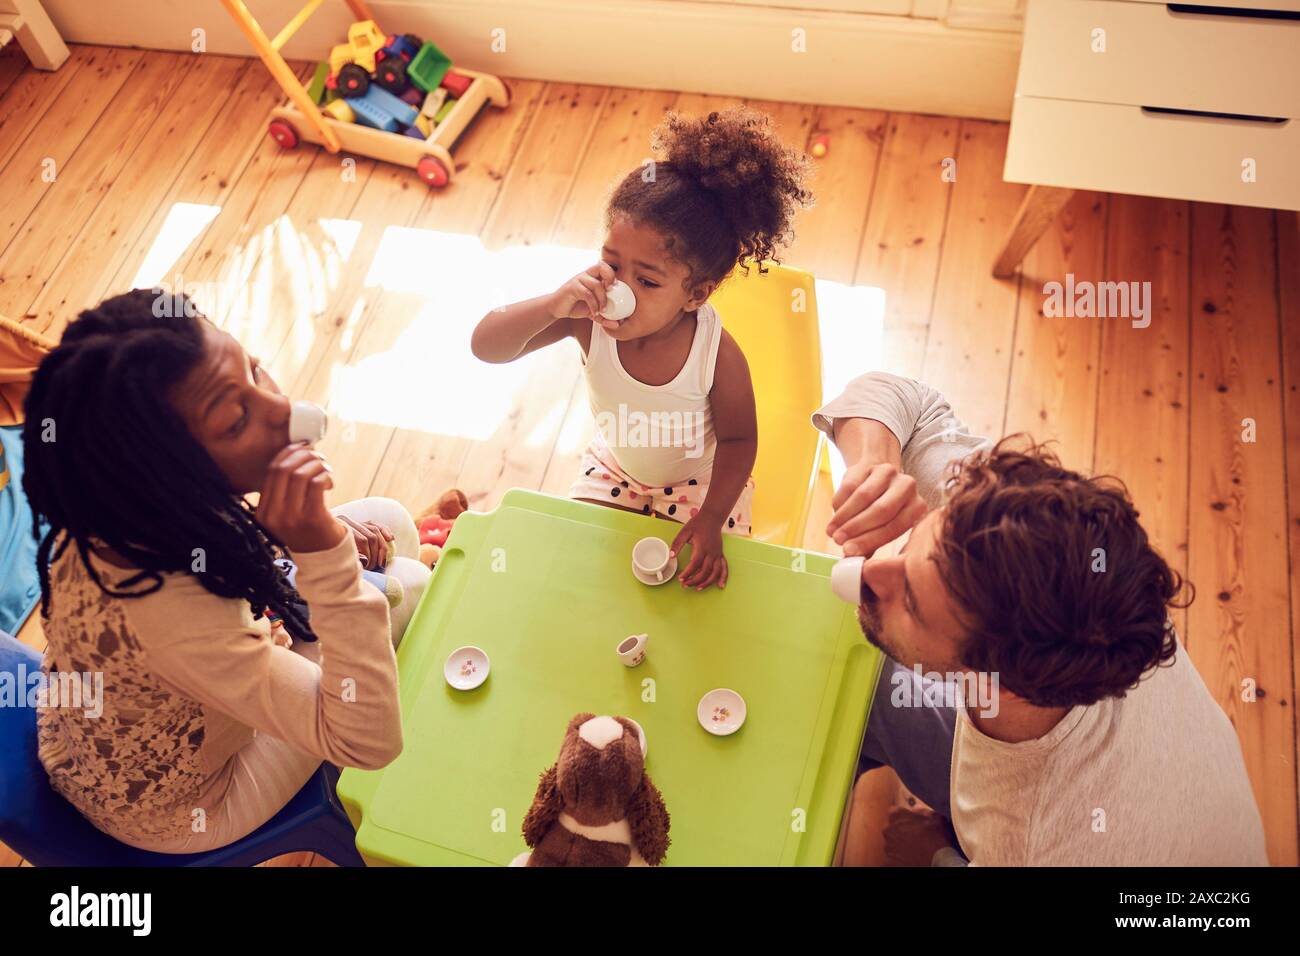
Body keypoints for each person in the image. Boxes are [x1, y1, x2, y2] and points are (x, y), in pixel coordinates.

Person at [22, 290, 428, 853]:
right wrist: (322, 554)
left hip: (114, 725)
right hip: (185, 804)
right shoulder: (178, 616)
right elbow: (369, 740)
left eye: (254, 369)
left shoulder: (107, 508)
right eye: (237, 418)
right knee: (406, 588)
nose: (284, 412)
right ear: (171, 476)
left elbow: (217, 564)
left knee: (389, 522)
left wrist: (300, 536)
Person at [815, 370, 1268, 866]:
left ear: (998, 684)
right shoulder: (1030, 545)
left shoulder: (1036, 842)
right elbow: (902, 398)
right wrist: (877, 467)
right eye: (916, 541)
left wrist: (939, 856)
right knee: (854, 678)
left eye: (913, 606)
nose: (874, 569)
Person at [472, 107, 813, 591]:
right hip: (617, 467)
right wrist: (552, 304)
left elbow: (739, 441)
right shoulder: (586, 320)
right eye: (611, 263)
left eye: (647, 280)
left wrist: (713, 517)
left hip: (698, 484)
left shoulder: (715, 354)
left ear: (696, 294)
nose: (618, 289)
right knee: (578, 574)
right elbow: (487, 347)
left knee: (695, 590)